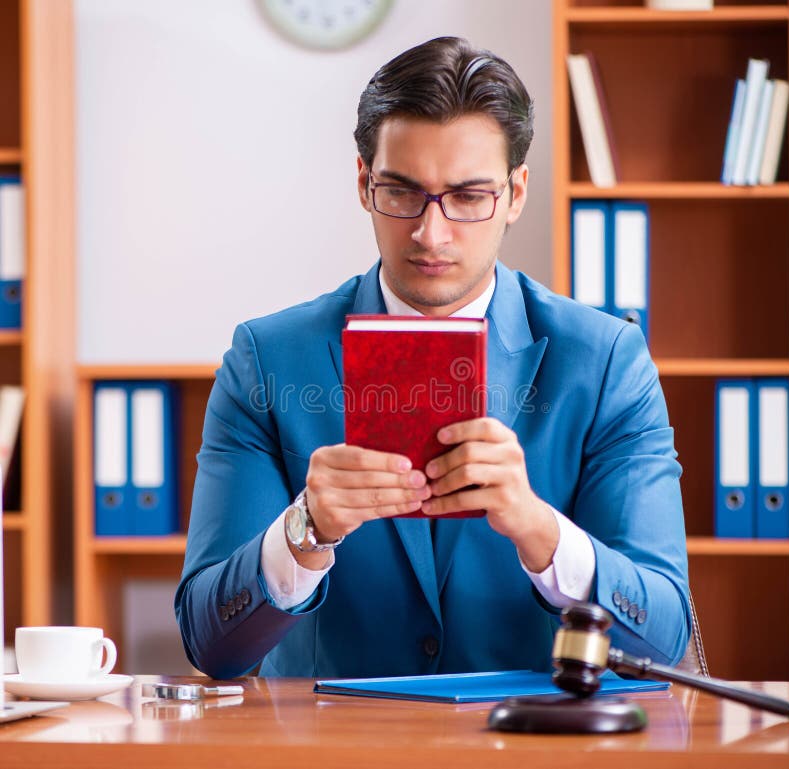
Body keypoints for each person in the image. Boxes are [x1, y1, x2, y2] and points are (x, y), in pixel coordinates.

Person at [175, 36, 690, 679]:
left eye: (469, 197)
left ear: (516, 194)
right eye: (401, 192)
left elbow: (665, 636)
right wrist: (304, 532)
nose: (431, 233)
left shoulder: (607, 360)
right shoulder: (268, 360)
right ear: (364, 183)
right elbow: (210, 644)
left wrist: (538, 530)